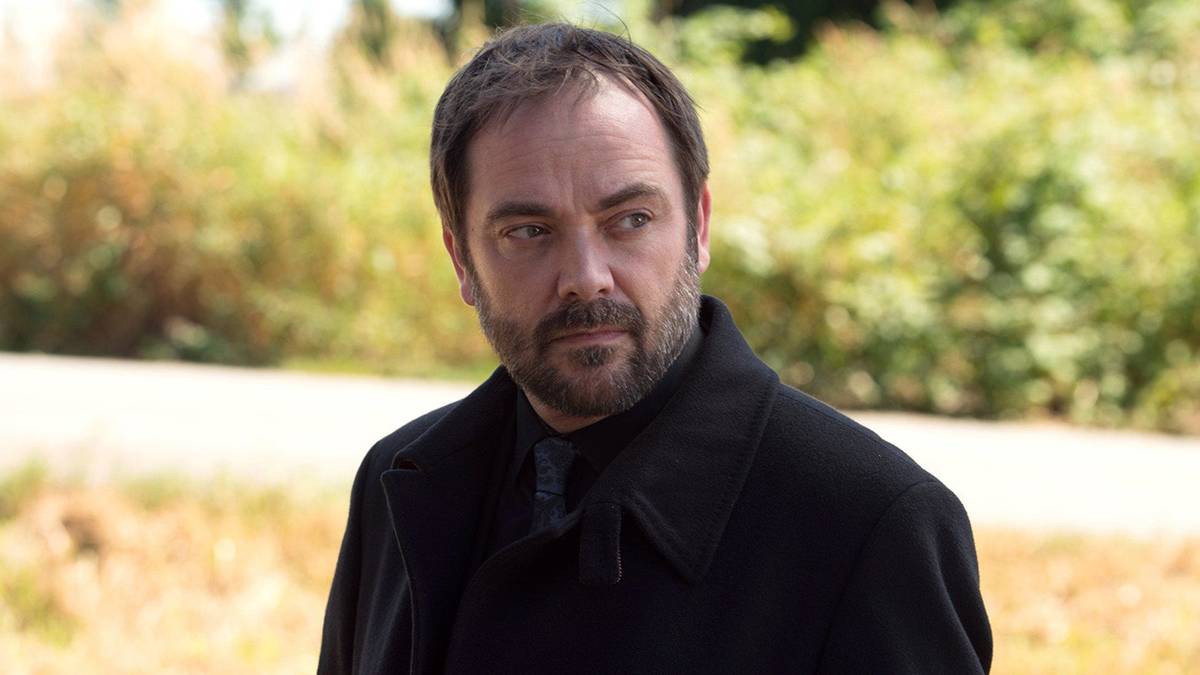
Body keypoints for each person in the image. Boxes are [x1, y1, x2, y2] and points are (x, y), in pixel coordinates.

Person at [318, 23, 991, 674]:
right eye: (528, 230)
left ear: (699, 226)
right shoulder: (397, 483)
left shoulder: (870, 523)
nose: (585, 277)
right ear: (461, 259)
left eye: (630, 219)